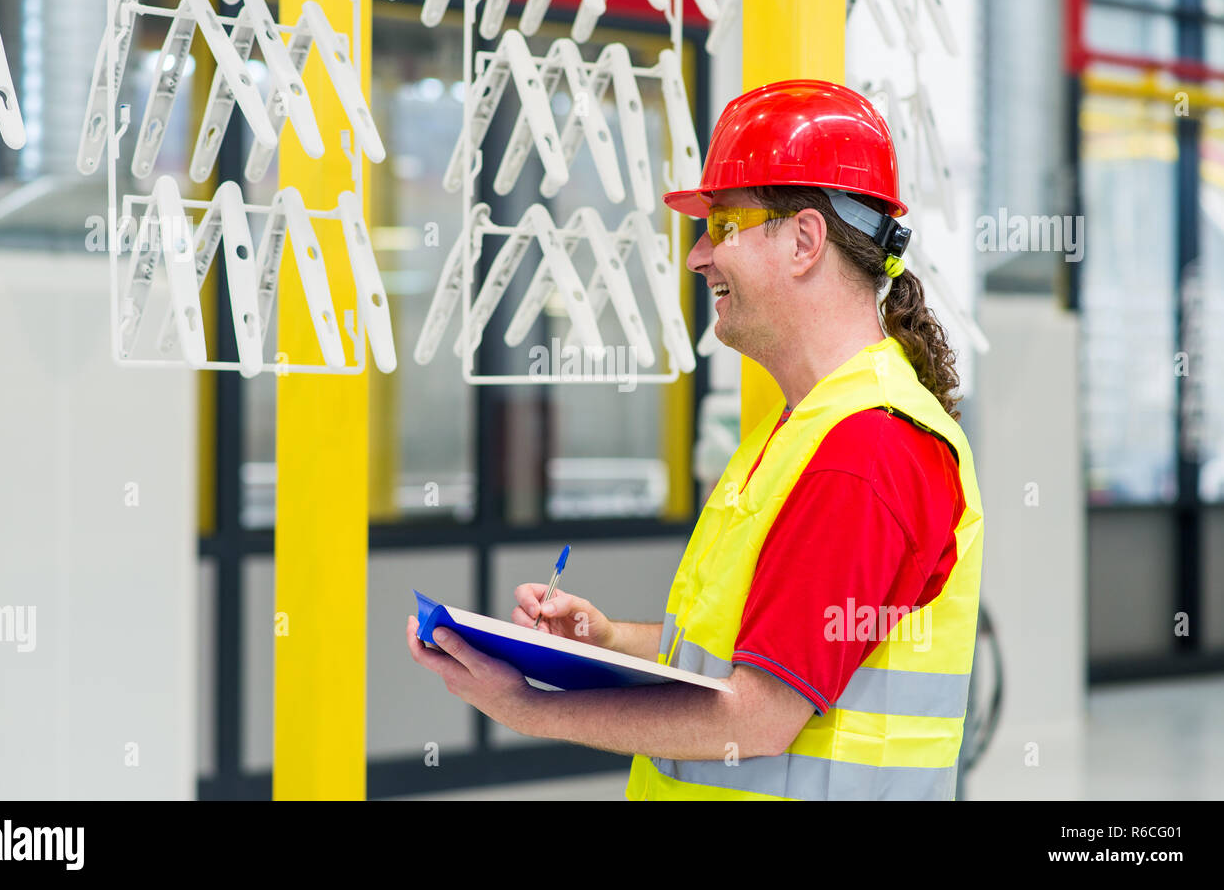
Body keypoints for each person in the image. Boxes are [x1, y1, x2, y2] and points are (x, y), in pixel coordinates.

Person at [406, 79, 984, 800]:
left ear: (804, 240)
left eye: (724, 226)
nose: (698, 256)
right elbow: (744, 655)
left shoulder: (867, 450)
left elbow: (759, 716)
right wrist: (607, 637)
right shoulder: (800, 432)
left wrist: (528, 707)